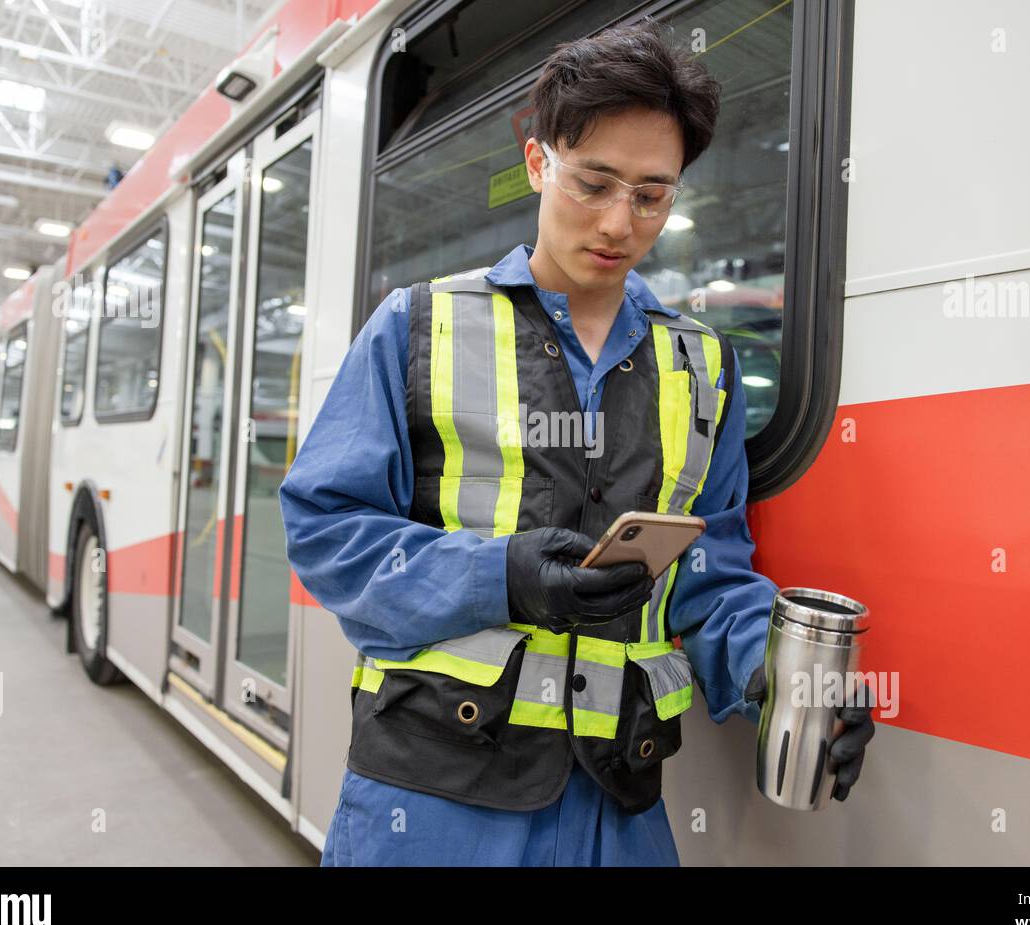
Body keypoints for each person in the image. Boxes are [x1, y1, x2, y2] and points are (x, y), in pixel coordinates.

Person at [278, 19, 873, 867]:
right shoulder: (417, 328)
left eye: (651, 194)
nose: (618, 222)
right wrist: (502, 575)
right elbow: (326, 531)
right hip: (432, 802)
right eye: (592, 182)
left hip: (618, 805)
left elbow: (710, 582)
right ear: (537, 162)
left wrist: (779, 680)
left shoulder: (702, 367)